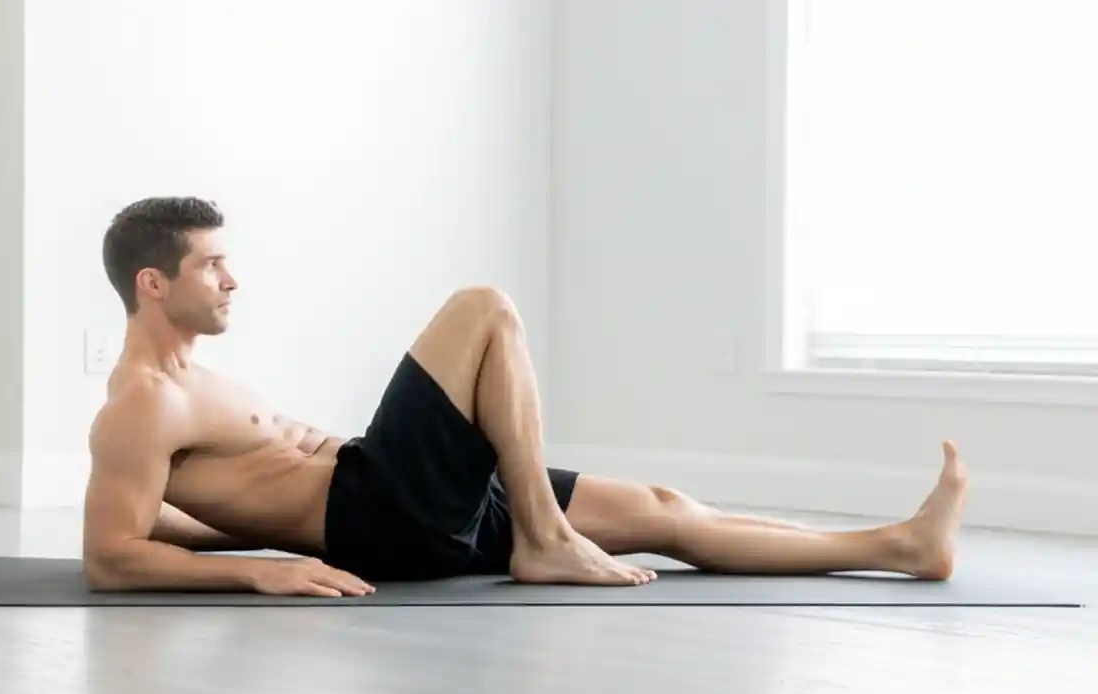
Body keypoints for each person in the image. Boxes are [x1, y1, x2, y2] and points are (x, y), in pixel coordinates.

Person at [82, 197, 969, 597]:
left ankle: (900, 545)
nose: (233, 278)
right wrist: (259, 572)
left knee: (666, 509)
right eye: (211, 264)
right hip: (385, 506)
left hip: (397, 503)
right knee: (483, 309)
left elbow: (173, 516)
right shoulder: (139, 404)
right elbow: (110, 555)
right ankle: (546, 537)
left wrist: (261, 532)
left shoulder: (187, 386)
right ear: (155, 284)